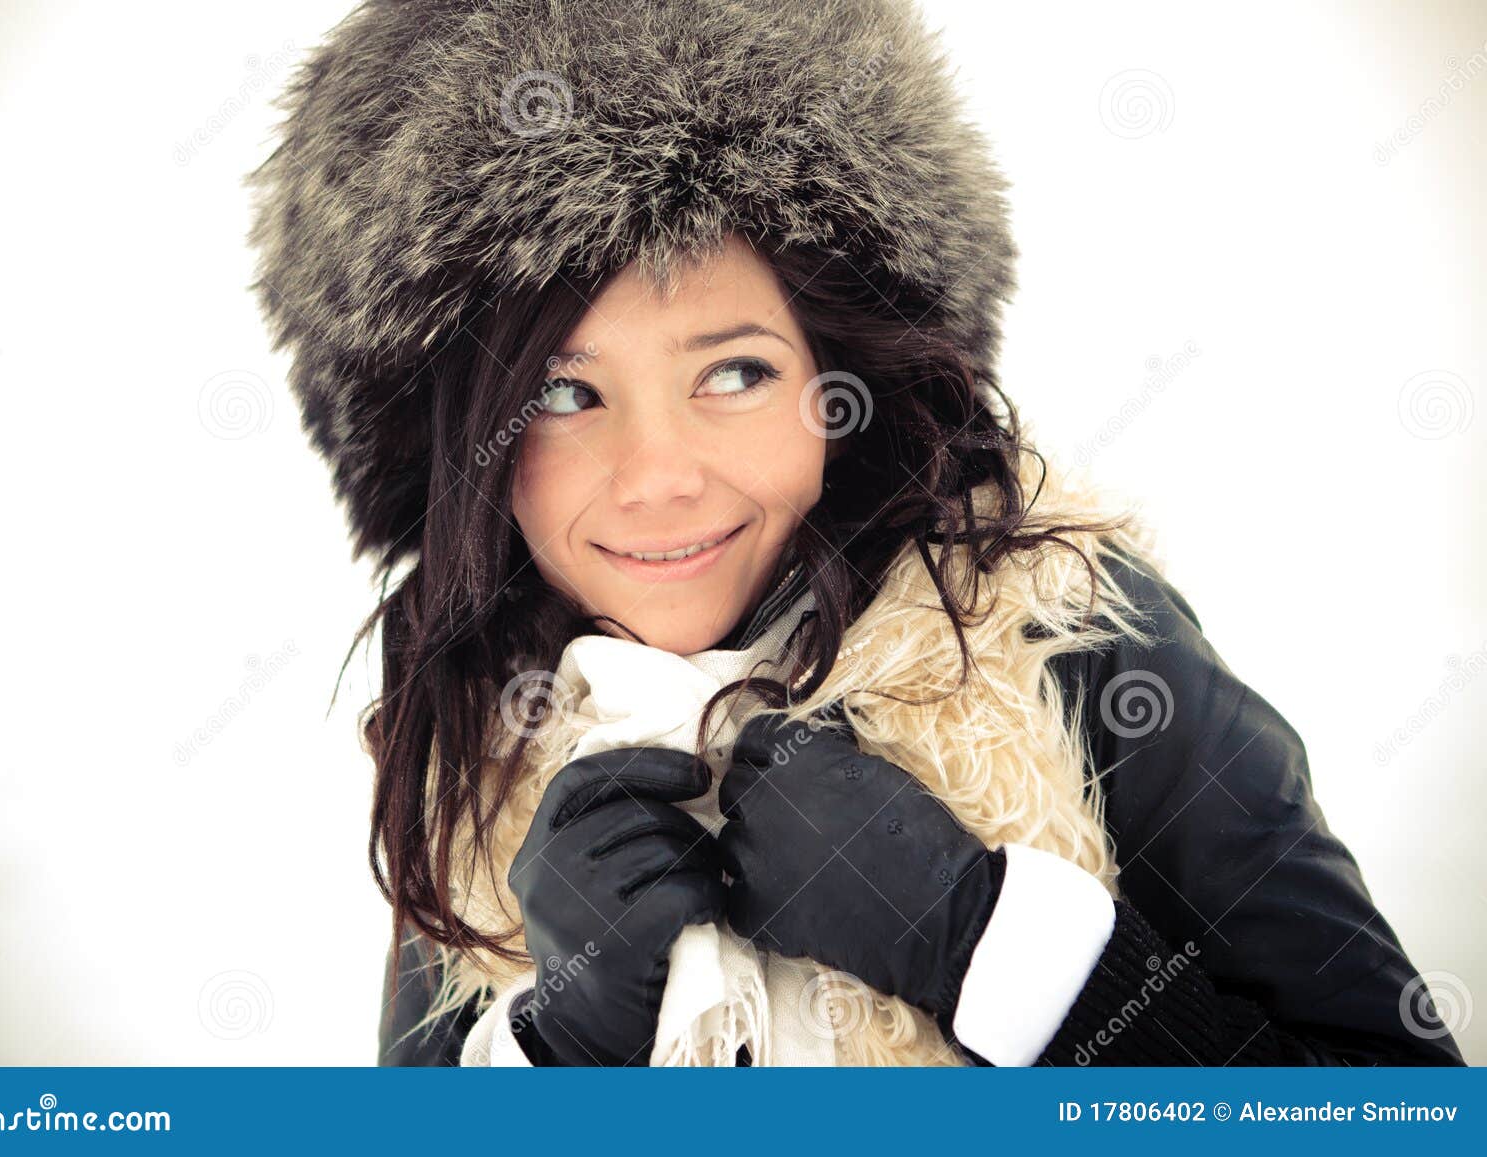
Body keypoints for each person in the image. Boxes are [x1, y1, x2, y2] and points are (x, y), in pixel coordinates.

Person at [245, 0, 1466, 1066]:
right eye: (565, 393)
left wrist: (986, 945)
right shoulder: (480, 733)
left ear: (845, 376)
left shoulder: (1065, 633)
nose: (656, 478)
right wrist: (558, 1039)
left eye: (731, 370)